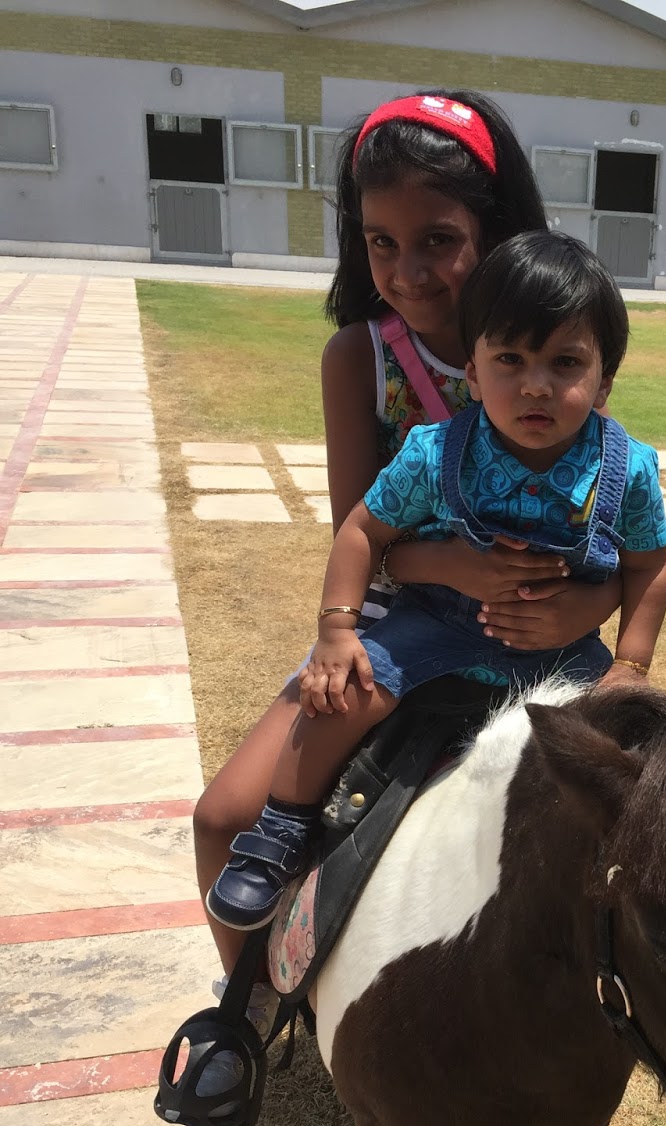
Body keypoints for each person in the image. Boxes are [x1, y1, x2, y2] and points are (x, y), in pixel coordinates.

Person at [189, 92, 622, 1026]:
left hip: (544, 625)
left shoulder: (552, 338)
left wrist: (585, 614)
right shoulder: (362, 357)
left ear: (493, 231)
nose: (408, 270)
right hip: (403, 612)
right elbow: (357, 528)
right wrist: (454, 573)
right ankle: (248, 1015)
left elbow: (620, 524)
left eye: (437, 239)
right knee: (225, 818)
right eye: (381, 242)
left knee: (633, 816)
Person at [206, 230, 666, 930]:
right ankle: (280, 826)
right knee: (346, 694)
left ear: (604, 379)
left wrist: (632, 663)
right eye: (509, 359)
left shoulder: (625, 468)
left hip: (562, 644)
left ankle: (651, 877)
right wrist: (336, 630)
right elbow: (363, 531)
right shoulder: (435, 453)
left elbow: (649, 563)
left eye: (565, 362)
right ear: (474, 372)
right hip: (438, 622)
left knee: (632, 744)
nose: (536, 383)